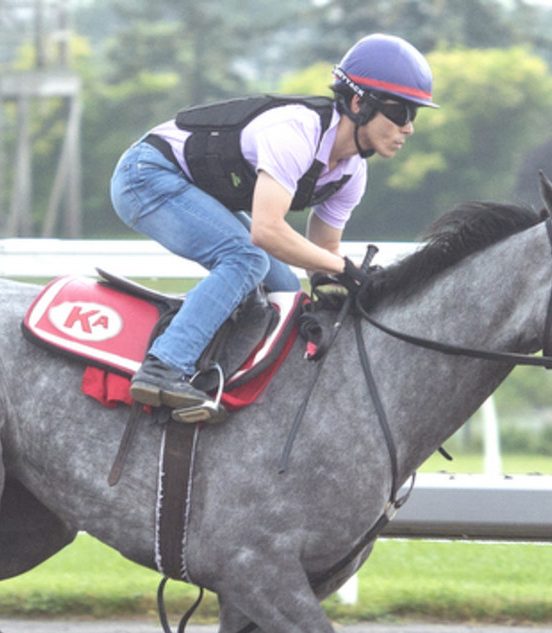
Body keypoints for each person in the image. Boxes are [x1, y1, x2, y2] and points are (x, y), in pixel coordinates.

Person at [110, 33, 438, 414]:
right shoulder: (296, 132)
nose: (409, 128)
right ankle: (164, 366)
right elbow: (265, 232)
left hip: (194, 188)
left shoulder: (352, 175)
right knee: (246, 259)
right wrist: (343, 267)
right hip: (146, 175)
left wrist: (355, 288)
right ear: (358, 102)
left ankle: (223, 377)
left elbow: (323, 254)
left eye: (414, 116)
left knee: (287, 291)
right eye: (401, 113)